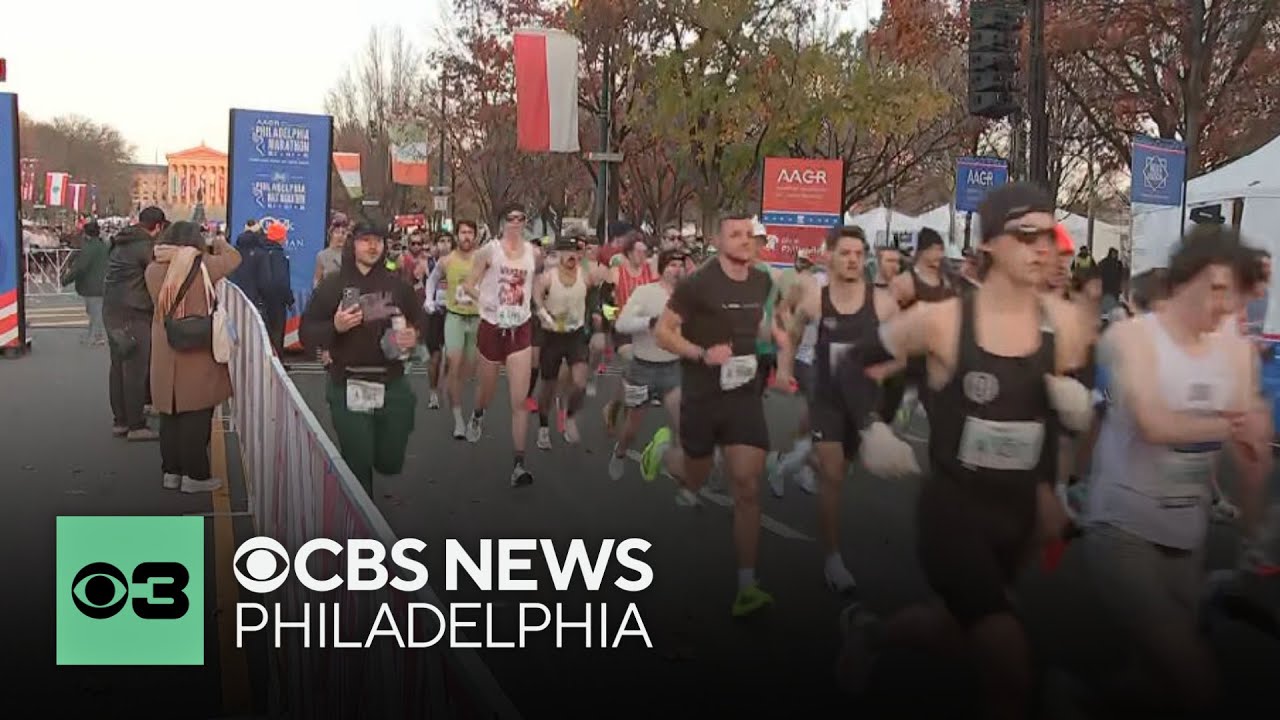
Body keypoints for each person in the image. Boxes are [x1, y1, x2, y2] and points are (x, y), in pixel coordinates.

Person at [834, 183, 1093, 720]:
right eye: (1026, 235)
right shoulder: (944, 321)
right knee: (1009, 662)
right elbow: (852, 363)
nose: (1042, 248)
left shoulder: (1065, 324)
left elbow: (1049, 418)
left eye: (1050, 235)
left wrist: (1057, 473)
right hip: (955, 510)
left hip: (1018, 516)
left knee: (957, 628)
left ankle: (872, 633)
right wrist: (870, 428)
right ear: (990, 242)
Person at [1083, 225, 1272, 713]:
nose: (1224, 304)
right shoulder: (1131, 337)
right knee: (1193, 675)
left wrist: (1252, 538)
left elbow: (1251, 457)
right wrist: (1232, 424)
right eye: (1215, 288)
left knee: (1157, 680)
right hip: (1121, 528)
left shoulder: (1236, 354)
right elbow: (1153, 423)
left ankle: (1073, 702)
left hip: (1187, 539)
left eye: (1232, 292)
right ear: (1184, 279)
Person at [654, 211, 791, 617]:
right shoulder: (697, 284)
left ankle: (747, 585)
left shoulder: (763, 281)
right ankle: (663, 453)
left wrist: (777, 339)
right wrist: (701, 353)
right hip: (703, 392)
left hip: (744, 393)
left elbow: (764, 324)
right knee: (693, 474)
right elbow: (663, 332)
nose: (745, 240)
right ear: (717, 241)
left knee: (747, 483)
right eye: (736, 234)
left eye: (749, 234)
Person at [776, 225, 900, 593]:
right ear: (830, 255)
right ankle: (833, 559)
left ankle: (793, 460)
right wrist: (784, 369)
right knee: (832, 474)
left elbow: (904, 348)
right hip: (826, 396)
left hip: (862, 401)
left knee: (840, 470)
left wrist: (885, 369)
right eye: (845, 253)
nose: (852, 260)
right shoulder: (816, 300)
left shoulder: (883, 303)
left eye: (859, 254)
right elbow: (792, 334)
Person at [299, 221, 427, 493]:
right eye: (365, 240)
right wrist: (335, 328)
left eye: (378, 241)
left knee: (390, 460)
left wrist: (414, 334)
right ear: (353, 244)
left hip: (392, 383)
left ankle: (383, 458)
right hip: (348, 382)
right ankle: (361, 516)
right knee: (358, 461)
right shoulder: (333, 285)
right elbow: (307, 331)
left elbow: (422, 321)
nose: (372, 246)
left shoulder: (398, 286)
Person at [144, 221, 241, 494]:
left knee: (170, 413)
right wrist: (217, 241)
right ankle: (194, 476)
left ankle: (171, 472)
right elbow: (234, 258)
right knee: (195, 415)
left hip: (165, 345)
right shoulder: (202, 266)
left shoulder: (153, 268)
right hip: (196, 345)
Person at [461, 204, 541, 487]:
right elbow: (468, 284)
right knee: (487, 391)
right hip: (492, 327)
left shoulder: (533, 253)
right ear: (502, 223)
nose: (516, 223)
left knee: (519, 401)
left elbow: (535, 285)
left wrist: (541, 308)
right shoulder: (489, 251)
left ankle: (519, 465)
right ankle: (478, 414)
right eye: (511, 219)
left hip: (520, 328)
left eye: (521, 218)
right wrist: (487, 300)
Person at [612, 248, 689, 482]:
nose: (677, 270)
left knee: (682, 425)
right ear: (662, 269)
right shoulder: (645, 292)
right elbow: (622, 324)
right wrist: (650, 321)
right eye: (672, 265)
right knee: (632, 427)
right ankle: (620, 452)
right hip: (643, 369)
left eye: (681, 265)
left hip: (673, 369)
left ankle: (678, 470)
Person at [532, 234, 605, 449]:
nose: (572, 256)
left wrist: (595, 313)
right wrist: (546, 318)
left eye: (575, 252)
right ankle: (543, 427)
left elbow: (593, 296)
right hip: (552, 336)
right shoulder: (548, 277)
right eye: (567, 252)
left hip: (575, 335)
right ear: (559, 255)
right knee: (548, 387)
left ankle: (570, 416)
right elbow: (536, 300)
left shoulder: (585, 276)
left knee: (580, 382)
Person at [103, 206, 167, 441]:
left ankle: (120, 421)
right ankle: (136, 425)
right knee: (135, 370)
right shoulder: (145, 247)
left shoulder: (121, 242)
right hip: (135, 311)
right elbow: (159, 273)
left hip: (112, 310)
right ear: (158, 226)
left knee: (118, 367)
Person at [426, 220, 482, 439]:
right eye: (463, 232)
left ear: (475, 236)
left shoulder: (483, 259)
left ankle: (476, 414)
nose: (466, 236)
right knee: (454, 363)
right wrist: (429, 300)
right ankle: (458, 419)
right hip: (455, 317)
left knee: (471, 369)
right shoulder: (447, 260)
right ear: (457, 236)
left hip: (477, 318)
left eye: (470, 232)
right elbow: (432, 280)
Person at [62, 220, 108, 345]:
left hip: (91, 285)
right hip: (104, 283)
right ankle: (95, 335)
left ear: (86, 234)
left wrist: (66, 279)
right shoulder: (104, 246)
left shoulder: (88, 248)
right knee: (96, 311)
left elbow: (80, 268)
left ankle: (95, 337)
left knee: (95, 312)